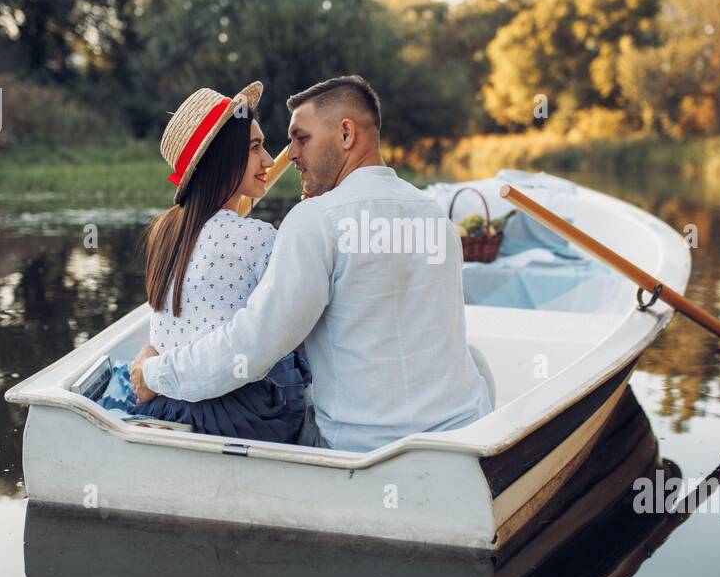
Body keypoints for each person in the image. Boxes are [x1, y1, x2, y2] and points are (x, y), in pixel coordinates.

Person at [130, 74, 493, 453]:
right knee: (476, 360)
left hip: (364, 448)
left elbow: (250, 347)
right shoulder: (436, 216)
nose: (290, 156)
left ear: (346, 135)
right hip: (463, 432)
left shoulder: (316, 220)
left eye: (300, 138)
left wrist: (155, 374)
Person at [100, 80, 311, 445]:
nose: (266, 160)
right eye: (255, 148)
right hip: (244, 416)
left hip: (168, 405)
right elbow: (290, 329)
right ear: (223, 158)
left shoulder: (164, 229)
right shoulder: (259, 237)